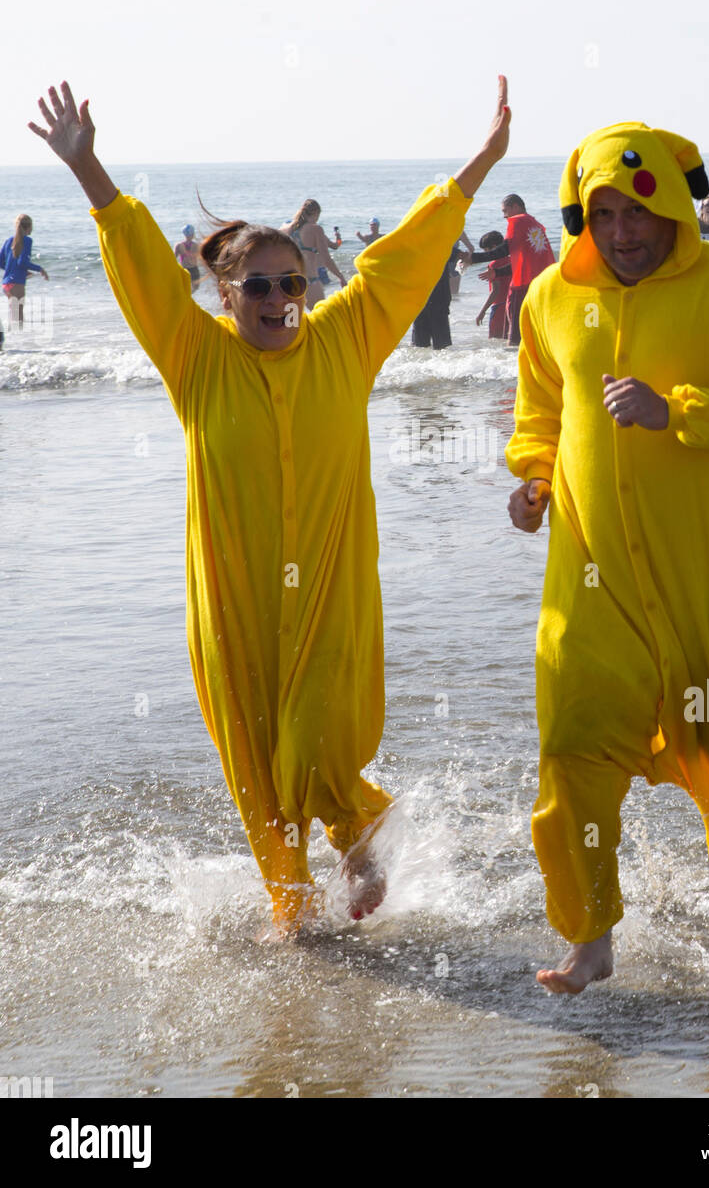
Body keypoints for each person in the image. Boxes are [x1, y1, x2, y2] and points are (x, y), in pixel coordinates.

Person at [30, 76, 511, 934]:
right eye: (259, 287)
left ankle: (357, 832)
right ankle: (295, 923)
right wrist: (89, 170)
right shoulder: (195, 358)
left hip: (327, 586)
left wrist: (474, 170)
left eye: (291, 282)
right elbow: (140, 269)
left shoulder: (347, 337)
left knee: (320, 733)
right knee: (257, 765)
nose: (280, 300)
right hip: (237, 602)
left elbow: (404, 258)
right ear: (226, 294)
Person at [505, 120, 709, 993]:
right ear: (582, 218)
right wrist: (531, 482)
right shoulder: (551, 299)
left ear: (671, 204)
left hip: (708, 577)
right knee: (571, 745)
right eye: (602, 214)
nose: (623, 231)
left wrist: (677, 411)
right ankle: (589, 936)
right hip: (590, 578)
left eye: (637, 209)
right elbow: (539, 416)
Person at [499, 194, 555, 346]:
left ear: (516, 206)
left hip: (523, 284)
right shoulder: (534, 223)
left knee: (516, 336)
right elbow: (526, 259)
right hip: (543, 283)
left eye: (505, 211)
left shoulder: (518, 221)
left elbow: (504, 250)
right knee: (537, 331)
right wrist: (497, 272)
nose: (505, 216)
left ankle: (513, 366)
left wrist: (473, 258)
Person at [280, 200, 346, 311]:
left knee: (293, 324)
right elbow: (326, 259)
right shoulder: (316, 229)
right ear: (316, 213)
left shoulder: (284, 229)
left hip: (289, 284)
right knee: (322, 320)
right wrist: (341, 277)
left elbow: (334, 245)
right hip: (309, 283)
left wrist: (338, 238)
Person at [2, 214, 49, 329]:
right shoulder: (27, 240)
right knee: (19, 319)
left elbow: (1, 261)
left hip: (6, 283)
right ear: (29, 227)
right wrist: (40, 269)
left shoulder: (9, 241)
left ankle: (12, 344)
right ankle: (19, 344)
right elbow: (22, 262)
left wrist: (12, 270)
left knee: (13, 316)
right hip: (17, 283)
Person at [412, 244, 456, 348]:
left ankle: (423, 364)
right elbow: (462, 256)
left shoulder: (412, 248)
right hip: (438, 301)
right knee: (442, 346)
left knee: (420, 346)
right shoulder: (442, 247)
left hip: (419, 301)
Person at [470, 229, 511, 337]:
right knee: (511, 338)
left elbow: (495, 290)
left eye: (486, 250)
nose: (485, 254)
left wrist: (483, 311)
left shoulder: (493, 265)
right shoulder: (512, 260)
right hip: (512, 304)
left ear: (493, 247)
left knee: (495, 339)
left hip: (499, 307)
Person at [174, 225, 202, 291]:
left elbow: (173, 258)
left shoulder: (179, 245)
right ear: (192, 234)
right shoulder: (195, 245)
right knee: (192, 289)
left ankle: (188, 298)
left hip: (186, 269)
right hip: (191, 269)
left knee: (189, 289)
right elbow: (199, 256)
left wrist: (185, 253)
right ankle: (189, 298)